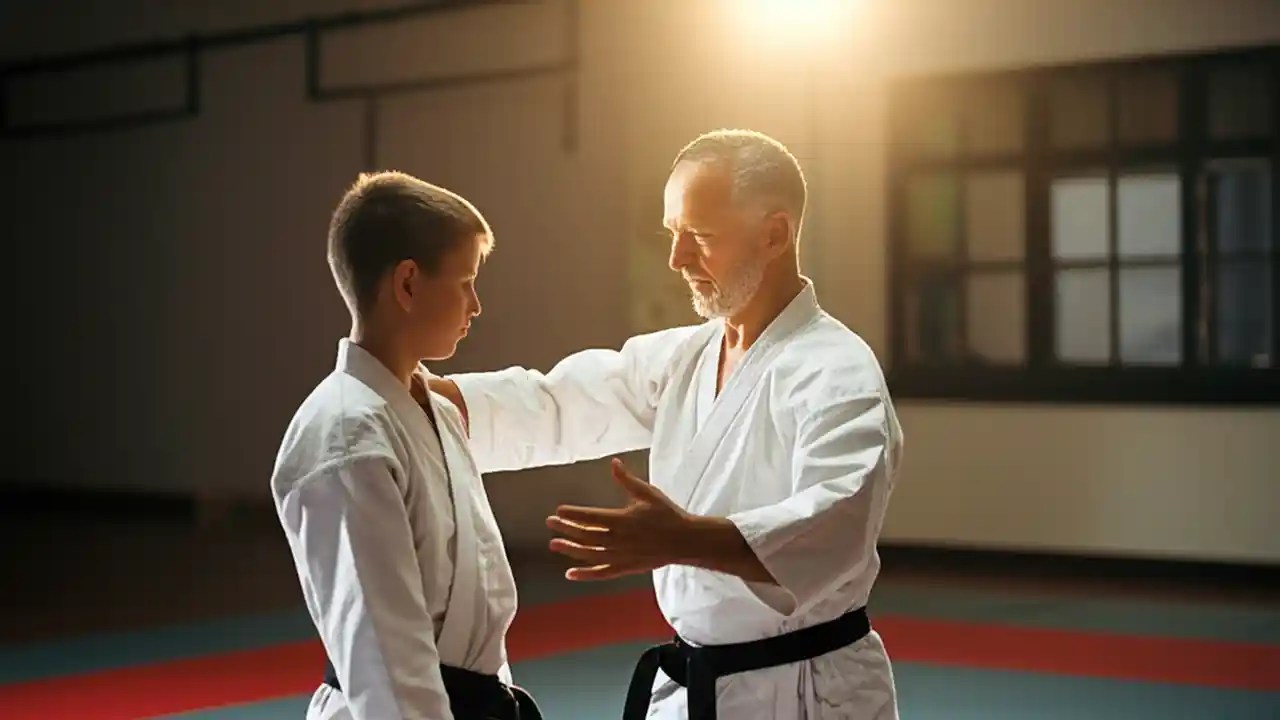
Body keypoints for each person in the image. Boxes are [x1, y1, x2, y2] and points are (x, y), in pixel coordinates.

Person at [428, 129, 904, 719]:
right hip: (696, 686)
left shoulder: (836, 369)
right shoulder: (689, 356)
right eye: (672, 235)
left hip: (804, 692)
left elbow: (838, 524)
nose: (677, 259)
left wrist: (682, 539)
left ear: (774, 234)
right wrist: (423, 396)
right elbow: (560, 401)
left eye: (699, 237)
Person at [271, 171, 540, 720]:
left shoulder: (436, 412)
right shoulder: (346, 437)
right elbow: (384, 656)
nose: (476, 305)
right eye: (465, 282)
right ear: (409, 284)